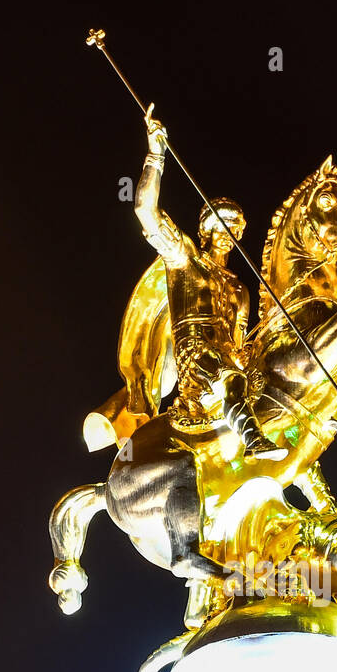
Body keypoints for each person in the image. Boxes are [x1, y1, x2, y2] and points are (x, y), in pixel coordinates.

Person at [134, 105, 286, 461]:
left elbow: (238, 341)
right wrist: (156, 155)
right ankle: (253, 442)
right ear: (206, 229)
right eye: (223, 224)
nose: (229, 232)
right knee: (232, 379)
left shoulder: (239, 289)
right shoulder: (184, 257)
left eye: (236, 227)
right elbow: (145, 211)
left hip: (228, 359)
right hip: (198, 361)